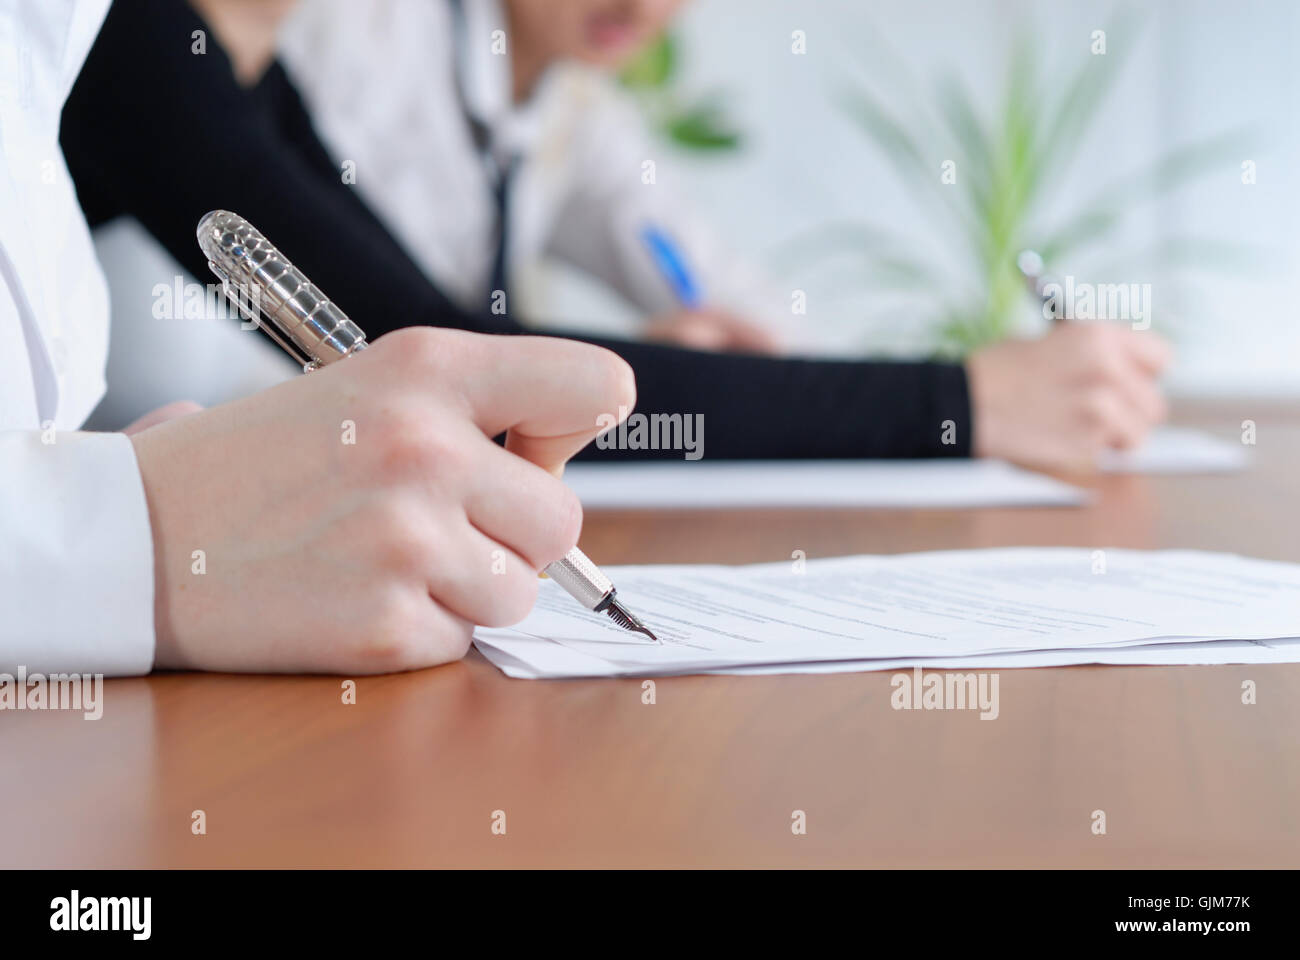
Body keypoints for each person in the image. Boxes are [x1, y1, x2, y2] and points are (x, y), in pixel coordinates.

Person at [61, 0, 1169, 469]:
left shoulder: (247, 75)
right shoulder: (143, 56)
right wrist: (960, 404)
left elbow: (436, 348)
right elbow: (447, 373)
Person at [1, 0, 636, 677]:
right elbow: (430, 336)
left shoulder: (261, 78)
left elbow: (420, 328)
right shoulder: (143, 50)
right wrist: (131, 535)